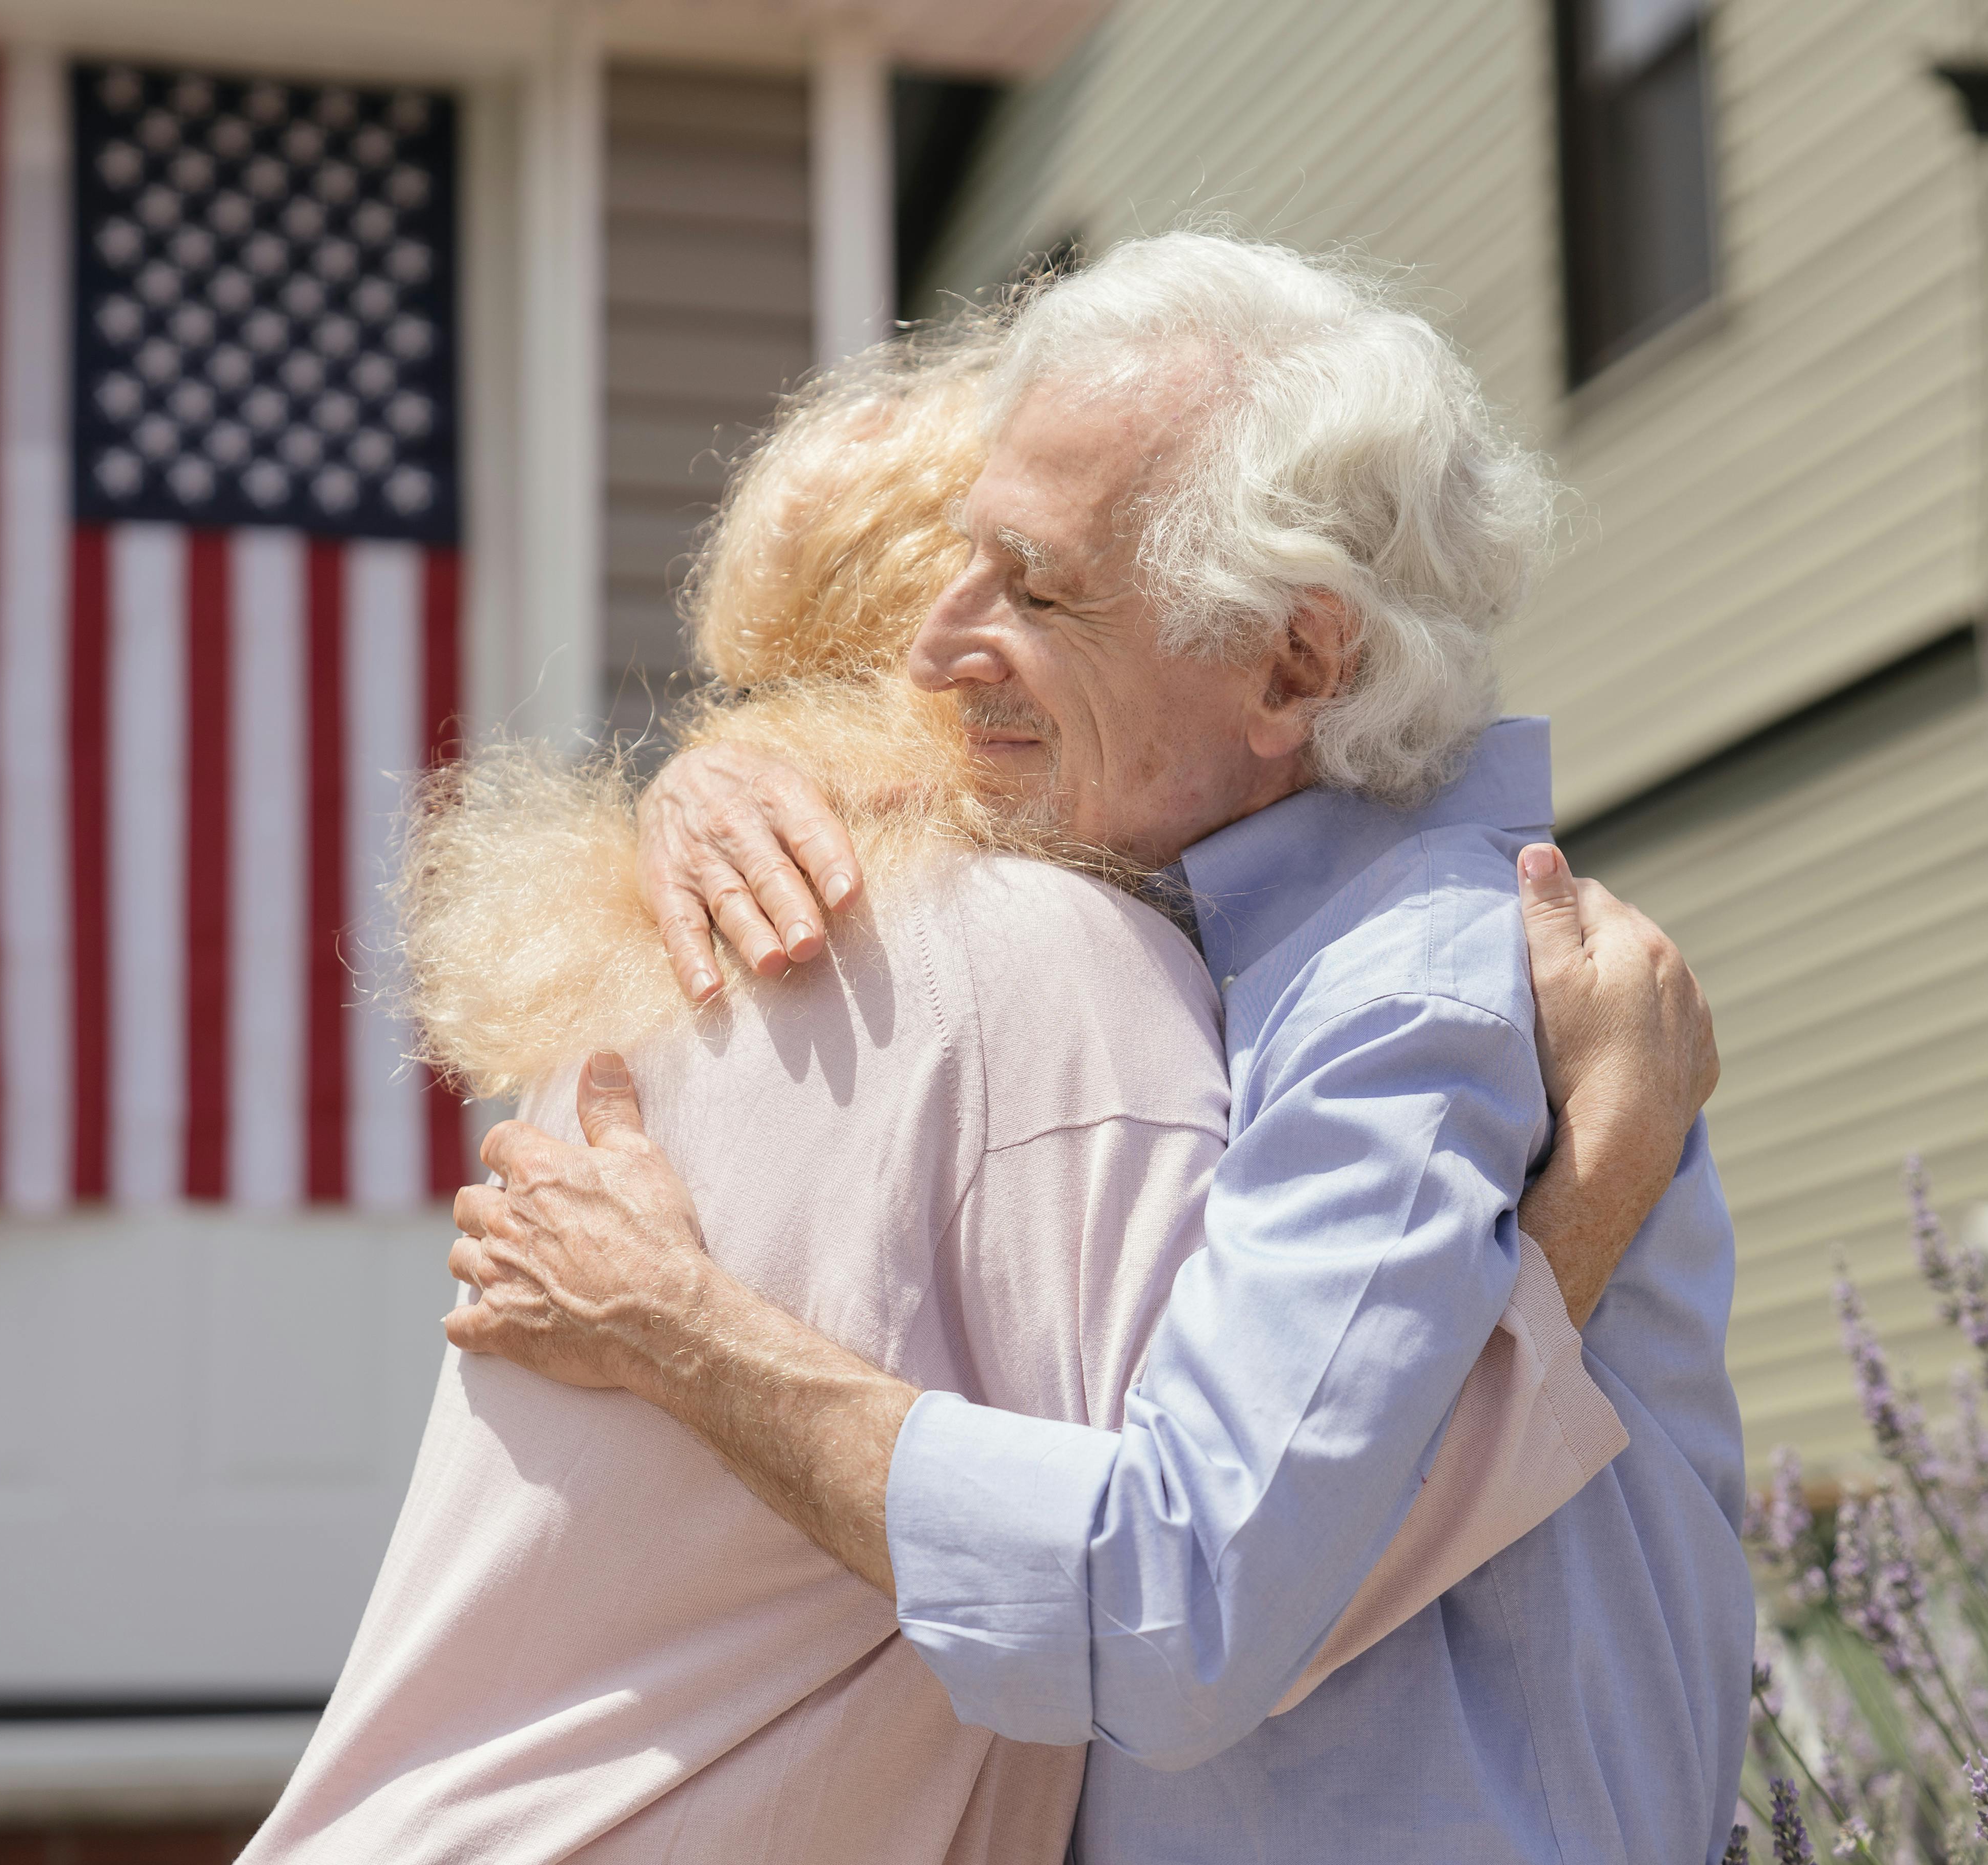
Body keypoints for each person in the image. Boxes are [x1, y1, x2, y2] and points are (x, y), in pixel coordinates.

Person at [242, 333, 1682, 1862]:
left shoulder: (678, 950)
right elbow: (1211, 1600)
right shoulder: (1054, 977)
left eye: (1035, 583)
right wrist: (1589, 1202)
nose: (960, 636)